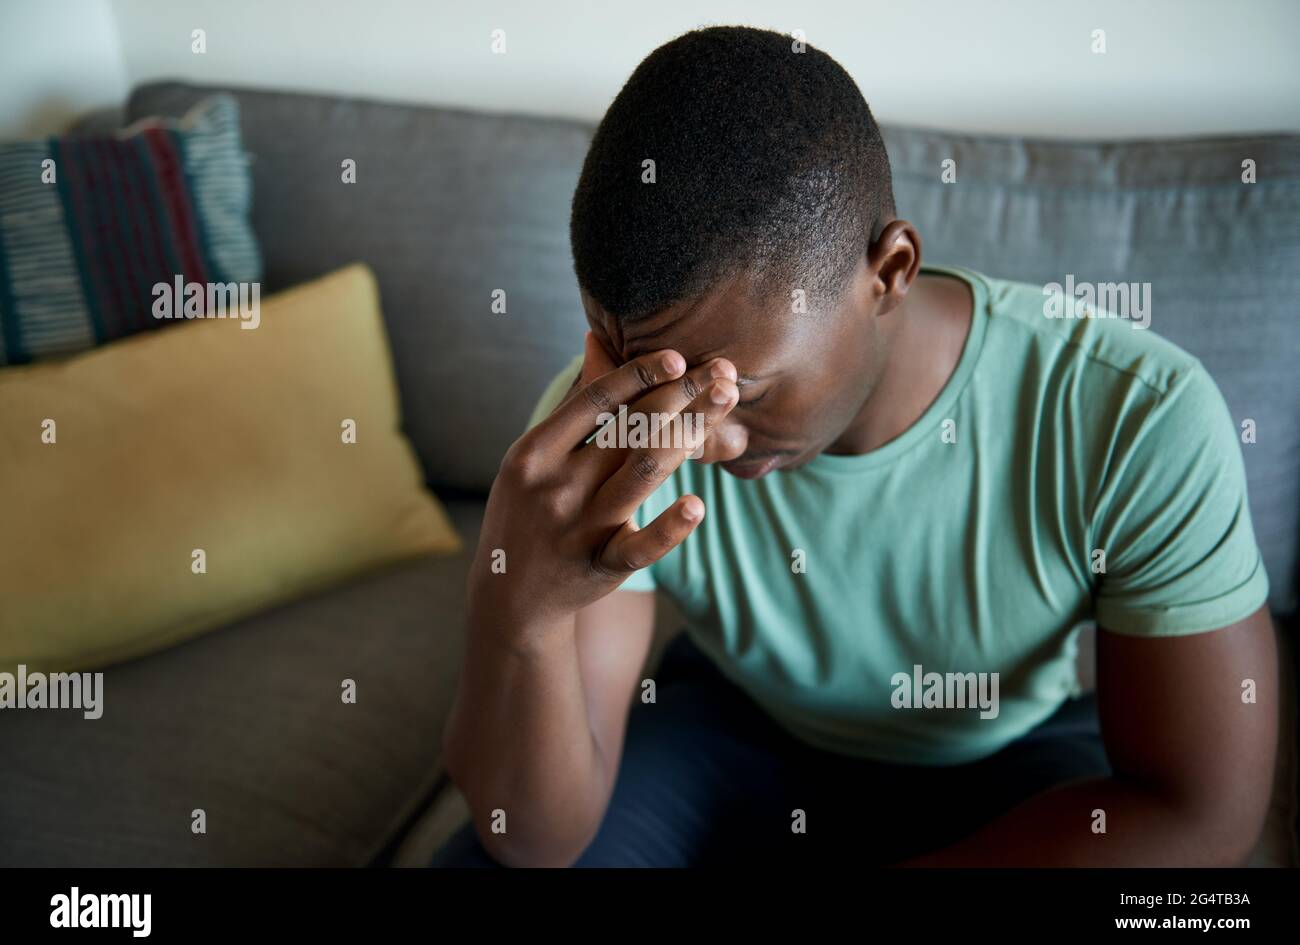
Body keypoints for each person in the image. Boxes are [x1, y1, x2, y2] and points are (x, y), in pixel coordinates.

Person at [432, 26, 1277, 867]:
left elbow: (1200, 817)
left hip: (1004, 757)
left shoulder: (1134, 414)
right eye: (652, 384)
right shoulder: (611, 437)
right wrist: (518, 611)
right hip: (737, 729)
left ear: (890, 271)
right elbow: (534, 843)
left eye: (740, 392)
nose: (699, 443)